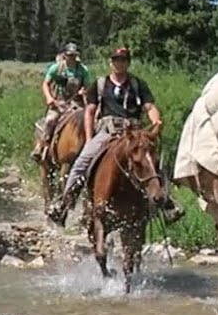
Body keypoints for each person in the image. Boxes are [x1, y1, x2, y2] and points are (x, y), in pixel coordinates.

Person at [46, 46, 184, 226]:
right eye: (116, 60)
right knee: (82, 162)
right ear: (111, 62)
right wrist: (89, 138)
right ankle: (64, 203)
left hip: (133, 132)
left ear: (128, 63)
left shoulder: (137, 84)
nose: (120, 63)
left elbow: (149, 107)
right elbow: (90, 111)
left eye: (123, 60)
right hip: (108, 131)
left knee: (152, 163)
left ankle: (167, 203)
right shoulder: (101, 84)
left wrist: (156, 121)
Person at [31, 42, 91, 161]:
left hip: (76, 103)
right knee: (50, 120)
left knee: (87, 122)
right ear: (64, 55)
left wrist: (83, 91)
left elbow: (87, 87)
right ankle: (42, 146)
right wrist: (49, 98)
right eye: (69, 55)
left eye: (74, 55)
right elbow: (45, 84)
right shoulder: (56, 68)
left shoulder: (83, 70)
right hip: (59, 102)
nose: (72, 58)